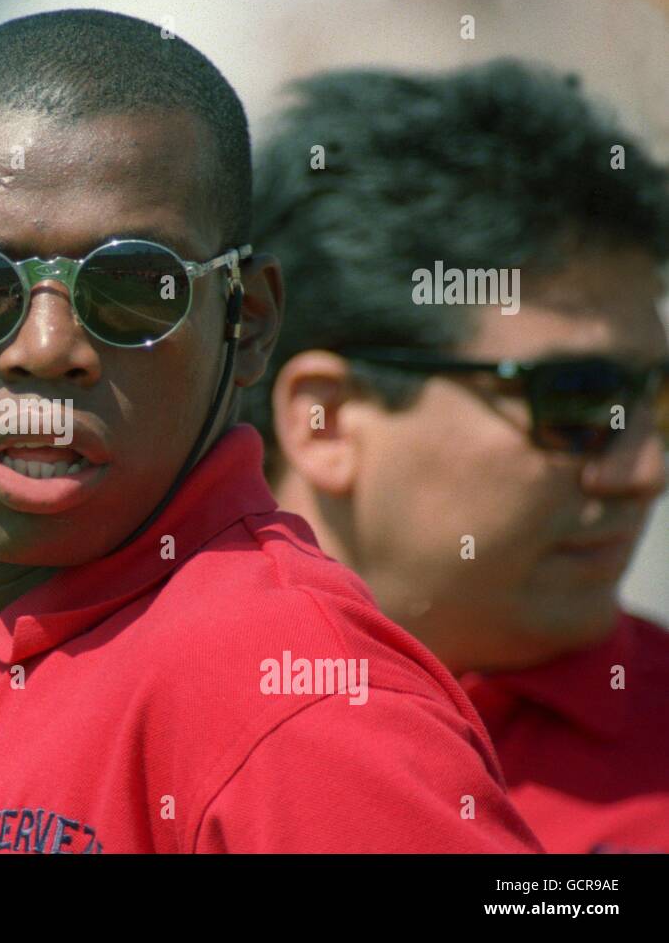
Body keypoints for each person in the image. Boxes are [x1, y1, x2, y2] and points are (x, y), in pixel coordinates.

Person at [0, 9, 540, 853]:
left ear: (247, 320)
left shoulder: (287, 699)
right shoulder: (9, 660)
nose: (45, 349)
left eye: (135, 287)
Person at [242, 59, 669, 852]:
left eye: (661, 400)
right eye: (576, 402)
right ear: (326, 421)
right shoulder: (123, 704)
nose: (643, 473)